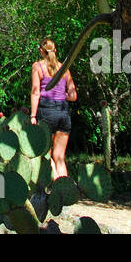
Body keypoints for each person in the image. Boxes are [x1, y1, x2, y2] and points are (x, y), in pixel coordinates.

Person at [30, 38, 77, 181]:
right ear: (55, 50)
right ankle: (64, 189)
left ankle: (55, 185)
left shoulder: (38, 67)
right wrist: (62, 96)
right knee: (60, 157)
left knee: (46, 154)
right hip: (63, 112)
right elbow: (73, 96)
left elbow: (35, 92)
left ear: (41, 51)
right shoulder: (64, 69)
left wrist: (33, 116)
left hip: (46, 111)